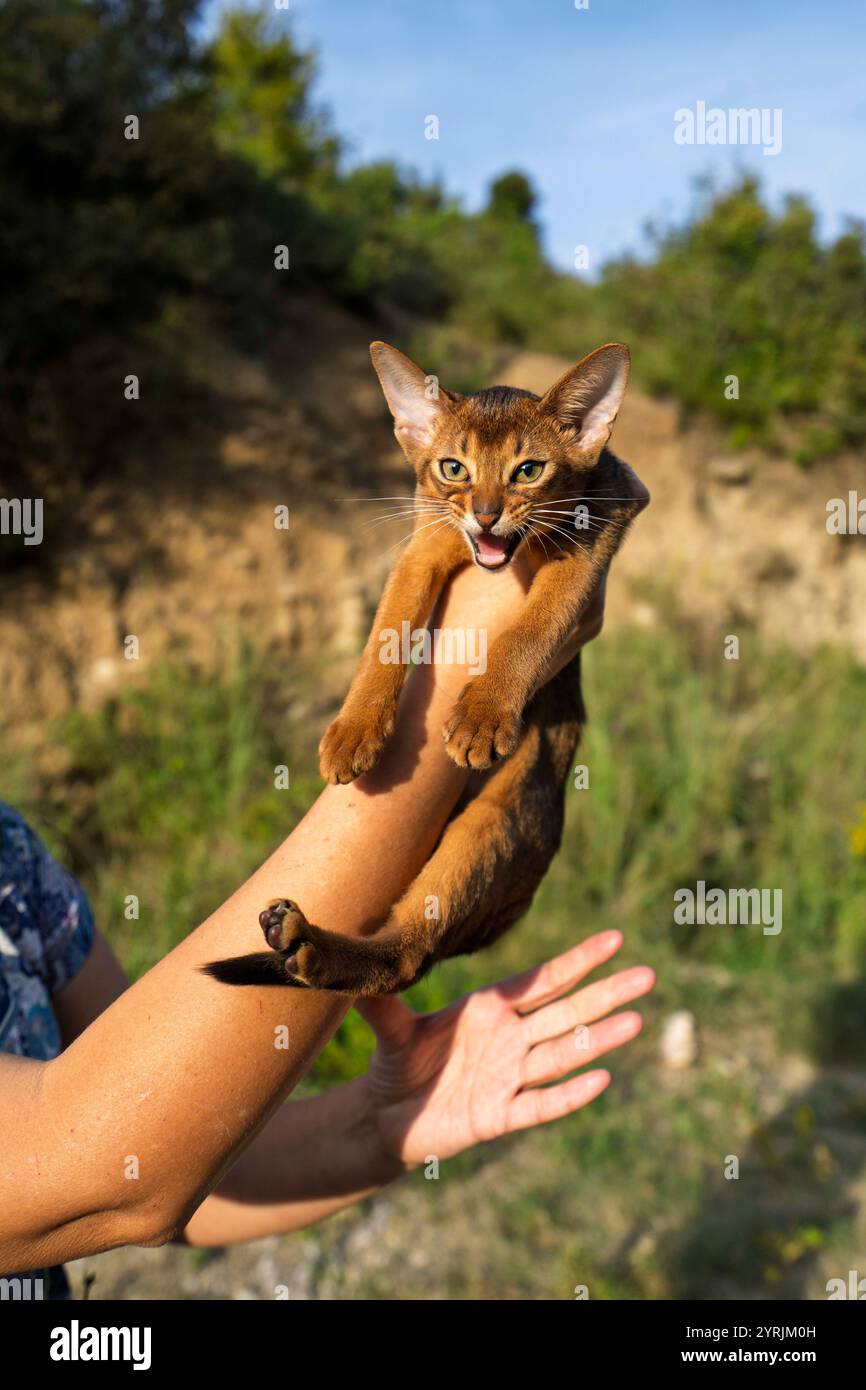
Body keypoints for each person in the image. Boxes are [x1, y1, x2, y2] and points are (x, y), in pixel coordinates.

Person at [0, 512, 654, 1295]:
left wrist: (379, 1123)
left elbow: (171, 1160)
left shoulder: (9, 858)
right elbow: (97, 1172)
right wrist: (458, 668)